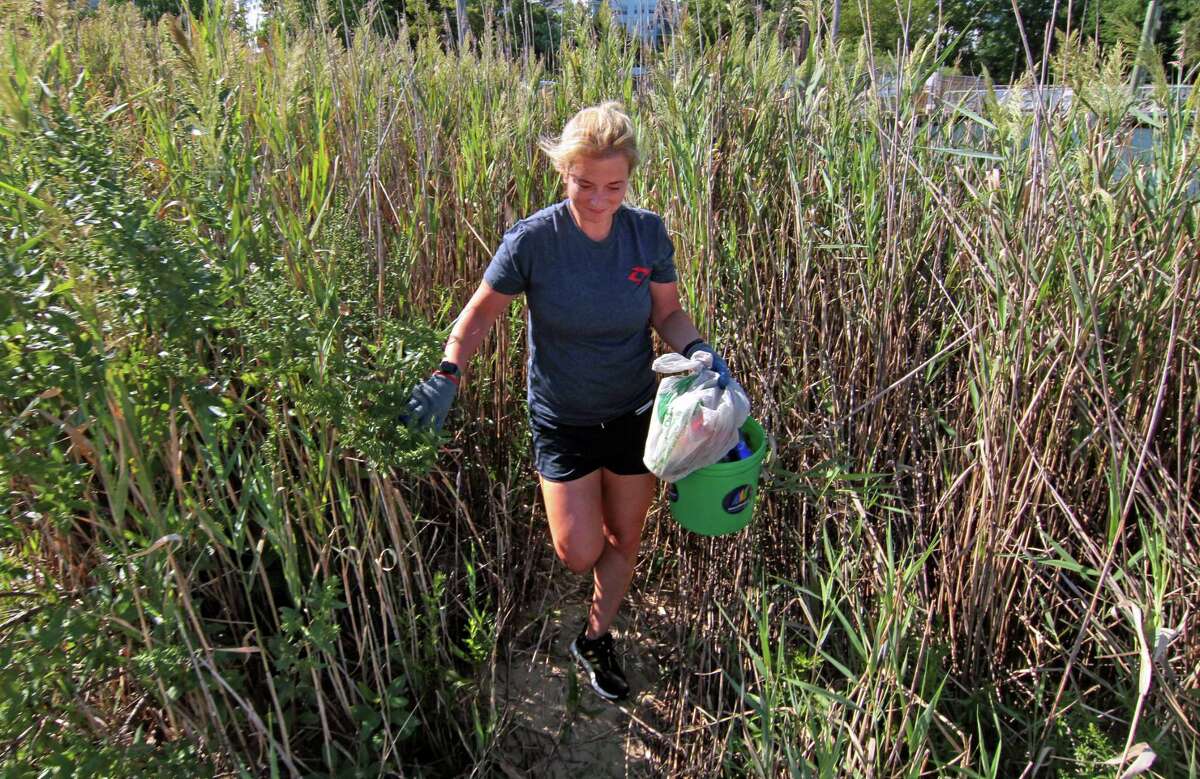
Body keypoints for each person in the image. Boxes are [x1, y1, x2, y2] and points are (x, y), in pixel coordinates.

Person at [404, 101, 735, 702]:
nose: (599, 198)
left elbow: (667, 312)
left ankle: (596, 635)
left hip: (636, 412)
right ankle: (591, 583)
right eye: (585, 183)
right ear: (565, 173)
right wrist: (449, 368)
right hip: (563, 415)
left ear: (629, 179)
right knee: (579, 551)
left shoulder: (647, 233)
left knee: (627, 539)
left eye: (614, 186)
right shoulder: (534, 240)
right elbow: (479, 313)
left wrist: (704, 353)